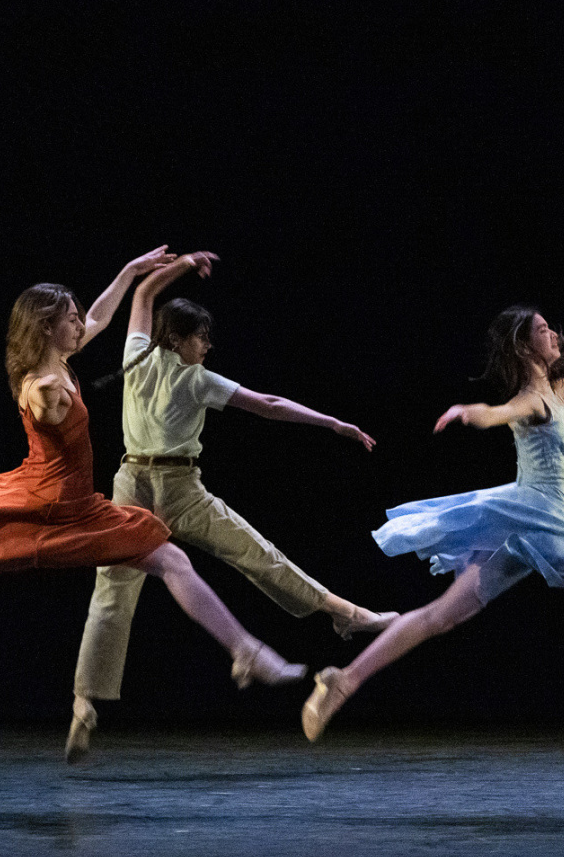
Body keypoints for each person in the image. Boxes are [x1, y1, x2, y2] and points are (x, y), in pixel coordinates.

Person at [0, 247, 306, 757]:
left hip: (45, 494)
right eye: (70, 319)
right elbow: (42, 402)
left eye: (77, 317)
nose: (81, 324)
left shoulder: (58, 363)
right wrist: (44, 402)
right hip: (62, 507)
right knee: (169, 559)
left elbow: (101, 316)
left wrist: (131, 271)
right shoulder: (44, 383)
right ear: (46, 327)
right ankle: (244, 650)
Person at [300, 289, 564, 776]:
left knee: (440, 616)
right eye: (542, 330)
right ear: (522, 347)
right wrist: (470, 413)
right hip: (540, 522)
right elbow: (498, 413)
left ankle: (345, 679)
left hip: (530, 524)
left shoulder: (556, 394)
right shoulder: (532, 400)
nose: (553, 334)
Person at [69, 253, 397, 761]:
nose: (207, 346)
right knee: (255, 552)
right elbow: (269, 405)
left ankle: (84, 703)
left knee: (112, 590)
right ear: (179, 339)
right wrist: (334, 423)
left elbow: (143, 295)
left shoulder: (136, 356)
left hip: (131, 483)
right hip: (178, 488)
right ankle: (345, 613)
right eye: (201, 337)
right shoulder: (197, 379)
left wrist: (181, 265)